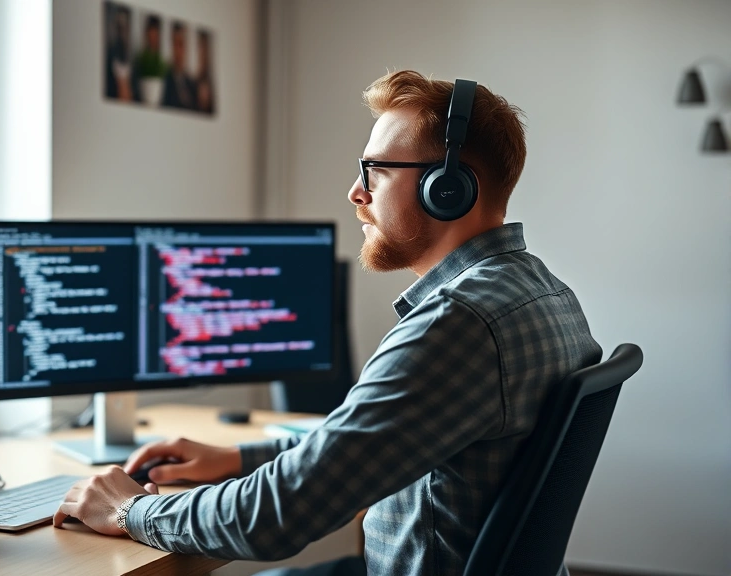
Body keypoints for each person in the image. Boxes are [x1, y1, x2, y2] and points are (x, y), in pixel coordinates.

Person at [53, 70, 602, 576]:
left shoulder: (456, 323)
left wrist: (130, 509)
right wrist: (240, 456)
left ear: (450, 187)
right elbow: (376, 437)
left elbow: (276, 517)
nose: (356, 192)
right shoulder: (542, 292)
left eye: (378, 170)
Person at [161, 21, 195, 110]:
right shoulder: (164, 78)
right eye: (175, 45)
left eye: (181, 45)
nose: (179, 51)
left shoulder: (192, 83)